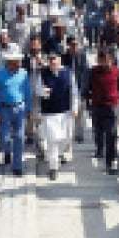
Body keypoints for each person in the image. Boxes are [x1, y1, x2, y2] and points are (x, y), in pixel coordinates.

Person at [36, 46, 78, 180]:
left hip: (66, 113)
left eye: (55, 59)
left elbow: (74, 92)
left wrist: (75, 108)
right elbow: (37, 90)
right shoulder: (42, 73)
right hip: (49, 114)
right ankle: (53, 168)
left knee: (66, 139)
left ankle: (58, 156)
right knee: (52, 140)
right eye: (51, 60)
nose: (53, 62)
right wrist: (43, 92)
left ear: (60, 60)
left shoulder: (68, 73)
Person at [0, 43, 32, 176]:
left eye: (19, 60)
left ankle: (17, 166)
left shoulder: (24, 74)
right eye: (17, 61)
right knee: (5, 137)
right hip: (5, 109)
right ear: (10, 62)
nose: (20, 63)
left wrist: (29, 109)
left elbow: (27, 92)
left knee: (19, 137)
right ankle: (7, 151)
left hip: (19, 108)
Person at [86, 48, 119, 174]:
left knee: (111, 134)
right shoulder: (93, 72)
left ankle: (110, 162)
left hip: (111, 107)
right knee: (98, 131)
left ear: (111, 60)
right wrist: (88, 102)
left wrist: (118, 100)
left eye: (106, 60)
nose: (104, 63)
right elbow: (87, 88)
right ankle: (99, 149)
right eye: (101, 61)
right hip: (97, 106)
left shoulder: (117, 71)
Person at [63, 35, 87, 143]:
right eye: (72, 45)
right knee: (68, 112)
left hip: (80, 87)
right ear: (68, 46)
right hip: (68, 88)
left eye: (76, 45)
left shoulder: (82, 56)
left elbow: (85, 72)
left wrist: (85, 89)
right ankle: (68, 134)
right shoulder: (64, 57)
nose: (74, 47)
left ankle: (79, 134)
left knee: (80, 113)